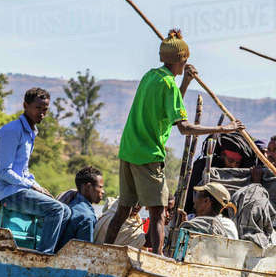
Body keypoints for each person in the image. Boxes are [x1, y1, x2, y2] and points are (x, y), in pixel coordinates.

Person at [104, 29, 244, 255]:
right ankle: (157, 259)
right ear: (182, 60)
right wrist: (223, 129)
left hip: (129, 150)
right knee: (158, 212)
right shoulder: (168, 85)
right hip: (147, 155)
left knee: (124, 209)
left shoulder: (151, 76)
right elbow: (184, 128)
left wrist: (186, 82)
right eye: (185, 60)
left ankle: (106, 250)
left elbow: (168, 108)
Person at [0, 87, 71, 254]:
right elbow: (4, 172)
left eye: (45, 110)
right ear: (25, 106)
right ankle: (44, 255)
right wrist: (32, 186)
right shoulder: (12, 131)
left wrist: (36, 185)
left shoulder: (31, 131)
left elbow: (23, 170)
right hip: (8, 193)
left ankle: (54, 252)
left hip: (18, 188)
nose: (42, 114)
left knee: (66, 210)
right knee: (55, 209)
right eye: (38, 108)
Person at [57, 166, 104, 250]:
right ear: (88, 187)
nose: (103, 191)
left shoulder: (69, 202)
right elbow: (84, 253)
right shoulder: (87, 217)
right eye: (100, 187)